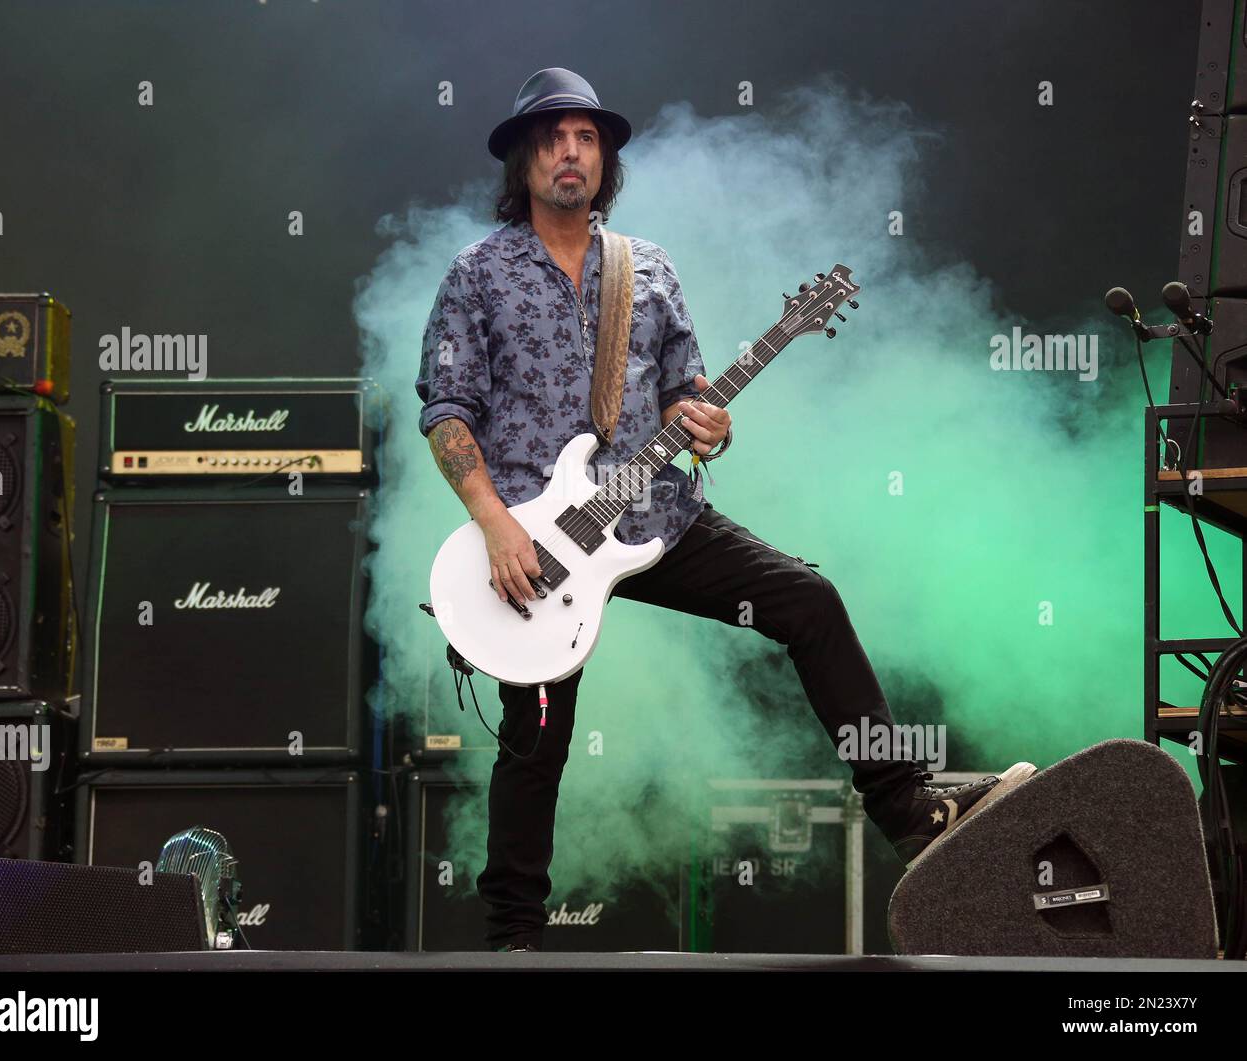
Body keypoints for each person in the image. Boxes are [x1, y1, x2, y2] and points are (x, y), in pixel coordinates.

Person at [415, 68, 1034, 953]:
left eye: (587, 137)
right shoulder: (477, 274)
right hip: (537, 544)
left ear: (605, 161)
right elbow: (446, 410)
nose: (570, 151)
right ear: (522, 160)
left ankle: (906, 807)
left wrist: (711, 425)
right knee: (538, 733)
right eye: (552, 136)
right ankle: (513, 936)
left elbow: (686, 401)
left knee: (808, 600)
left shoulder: (647, 268)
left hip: (653, 512)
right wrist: (495, 521)